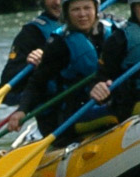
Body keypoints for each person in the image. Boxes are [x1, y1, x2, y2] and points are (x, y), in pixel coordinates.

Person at [15, 0, 116, 136]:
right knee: (118, 108)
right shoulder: (59, 44)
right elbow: (37, 83)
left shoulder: (112, 31)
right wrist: (22, 110)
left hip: (101, 100)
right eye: (76, 9)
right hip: (70, 113)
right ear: (66, 13)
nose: (82, 14)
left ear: (96, 10)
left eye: (87, 8)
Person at [2, 0, 67, 91]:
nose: (57, 2)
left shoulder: (86, 26)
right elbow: (8, 80)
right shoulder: (31, 33)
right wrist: (34, 65)